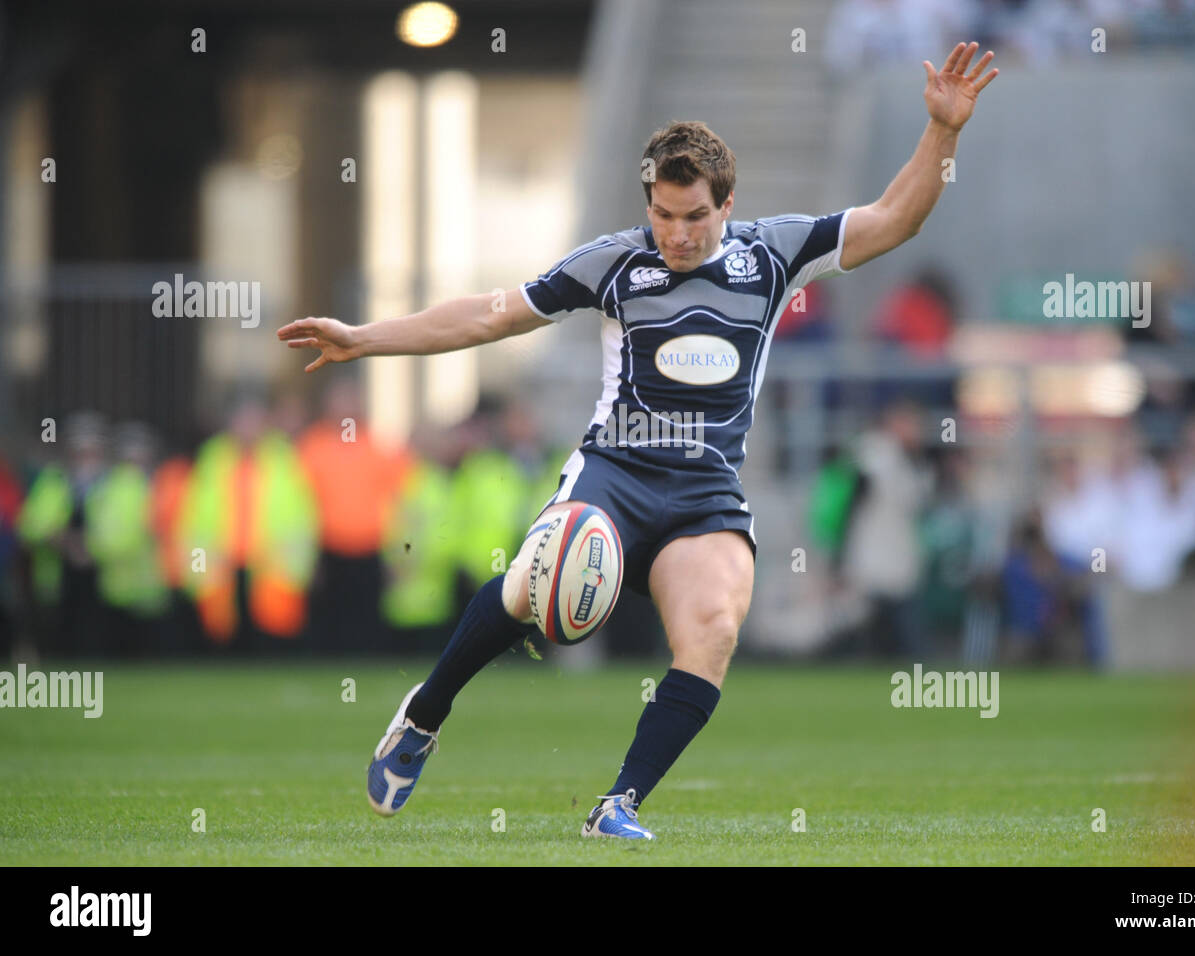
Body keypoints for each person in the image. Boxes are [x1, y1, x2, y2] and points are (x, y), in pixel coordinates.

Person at [277, 42, 998, 839]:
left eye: (694, 216)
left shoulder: (775, 252)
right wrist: (365, 338)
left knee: (715, 628)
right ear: (647, 201)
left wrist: (942, 131)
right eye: (663, 213)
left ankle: (615, 806)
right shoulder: (616, 262)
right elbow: (490, 313)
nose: (677, 233)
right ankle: (424, 713)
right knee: (527, 594)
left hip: (704, 490)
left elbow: (896, 218)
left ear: (727, 204)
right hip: (612, 475)